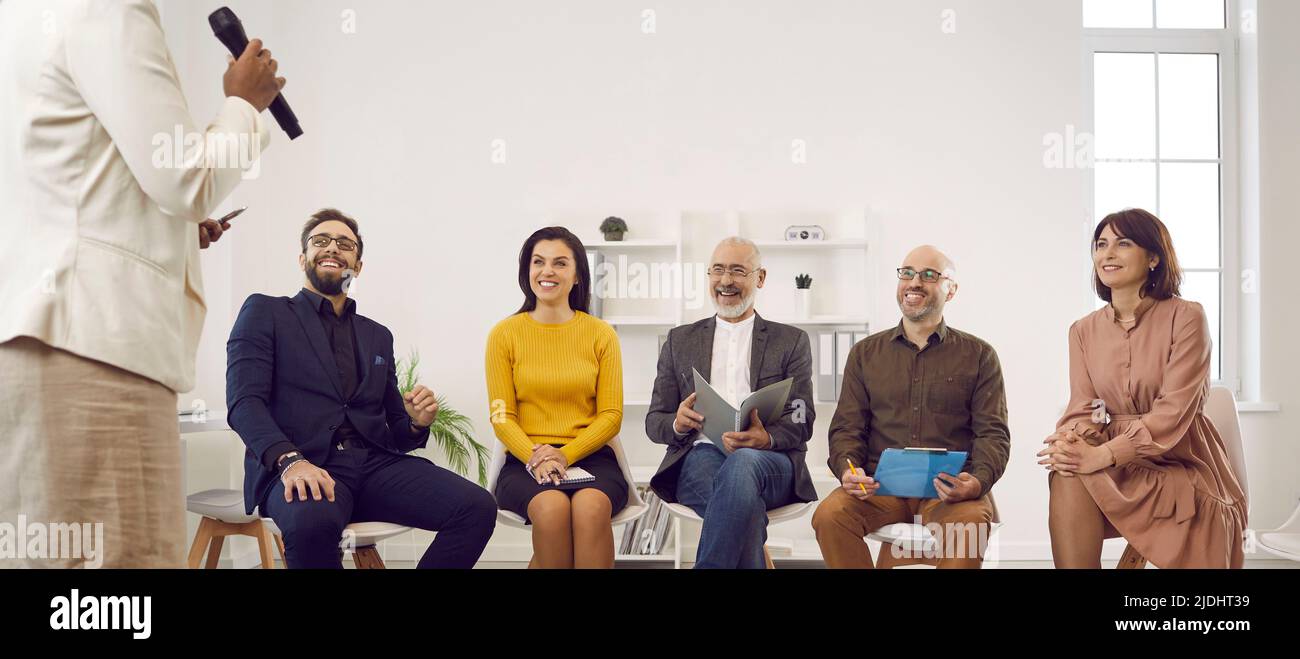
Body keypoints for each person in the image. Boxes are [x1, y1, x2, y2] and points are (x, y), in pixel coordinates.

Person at [0, 0, 283, 567]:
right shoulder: (107, 7)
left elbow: (72, 184)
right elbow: (185, 175)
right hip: (96, 345)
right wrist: (244, 104)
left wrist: (174, 233)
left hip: (40, 335)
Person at [227, 209, 497, 568]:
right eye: (320, 241)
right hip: (303, 464)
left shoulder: (377, 336)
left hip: (373, 466)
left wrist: (416, 422)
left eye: (345, 244)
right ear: (302, 258)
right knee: (312, 524)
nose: (333, 248)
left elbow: (397, 433)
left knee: (476, 507)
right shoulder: (266, 312)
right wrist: (290, 461)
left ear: (359, 264)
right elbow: (245, 402)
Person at [1039, 208, 1247, 568]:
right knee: (1067, 472)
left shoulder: (1187, 317)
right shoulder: (1082, 330)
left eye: (1123, 243)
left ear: (1153, 257)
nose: (1108, 253)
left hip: (1180, 461)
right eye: (1101, 244)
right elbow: (1084, 408)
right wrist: (1072, 441)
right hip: (1111, 461)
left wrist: (1103, 455)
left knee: (1193, 506)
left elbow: (1172, 412)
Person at [812, 245, 1009, 568]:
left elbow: (993, 434)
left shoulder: (979, 356)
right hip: (878, 488)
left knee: (972, 524)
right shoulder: (865, 354)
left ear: (951, 290)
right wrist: (849, 470)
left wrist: (977, 481)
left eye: (929, 275)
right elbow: (847, 428)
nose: (914, 282)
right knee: (830, 515)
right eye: (907, 273)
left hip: (949, 491)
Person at [646, 237, 817, 568]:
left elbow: (802, 417)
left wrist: (766, 438)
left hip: (771, 461)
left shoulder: (791, 341)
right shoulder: (679, 340)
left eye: (738, 271)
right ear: (709, 276)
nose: (726, 281)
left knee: (742, 465)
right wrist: (677, 423)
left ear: (760, 278)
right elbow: (655, 420)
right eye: (718, 270)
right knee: (745, 508)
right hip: (700, 457)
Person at [485, 227, 626, 568]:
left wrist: (564, 455)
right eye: (538, 262)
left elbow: (610, 415)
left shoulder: (601, 334)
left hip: (591, 456)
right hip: (525, 459)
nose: (547, 271)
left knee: (591, 508)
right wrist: (538, 458)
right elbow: (502, 415)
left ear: (577, 275)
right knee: (552, 508)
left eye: (560, 263)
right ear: (527, 271)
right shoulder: (504, 334)